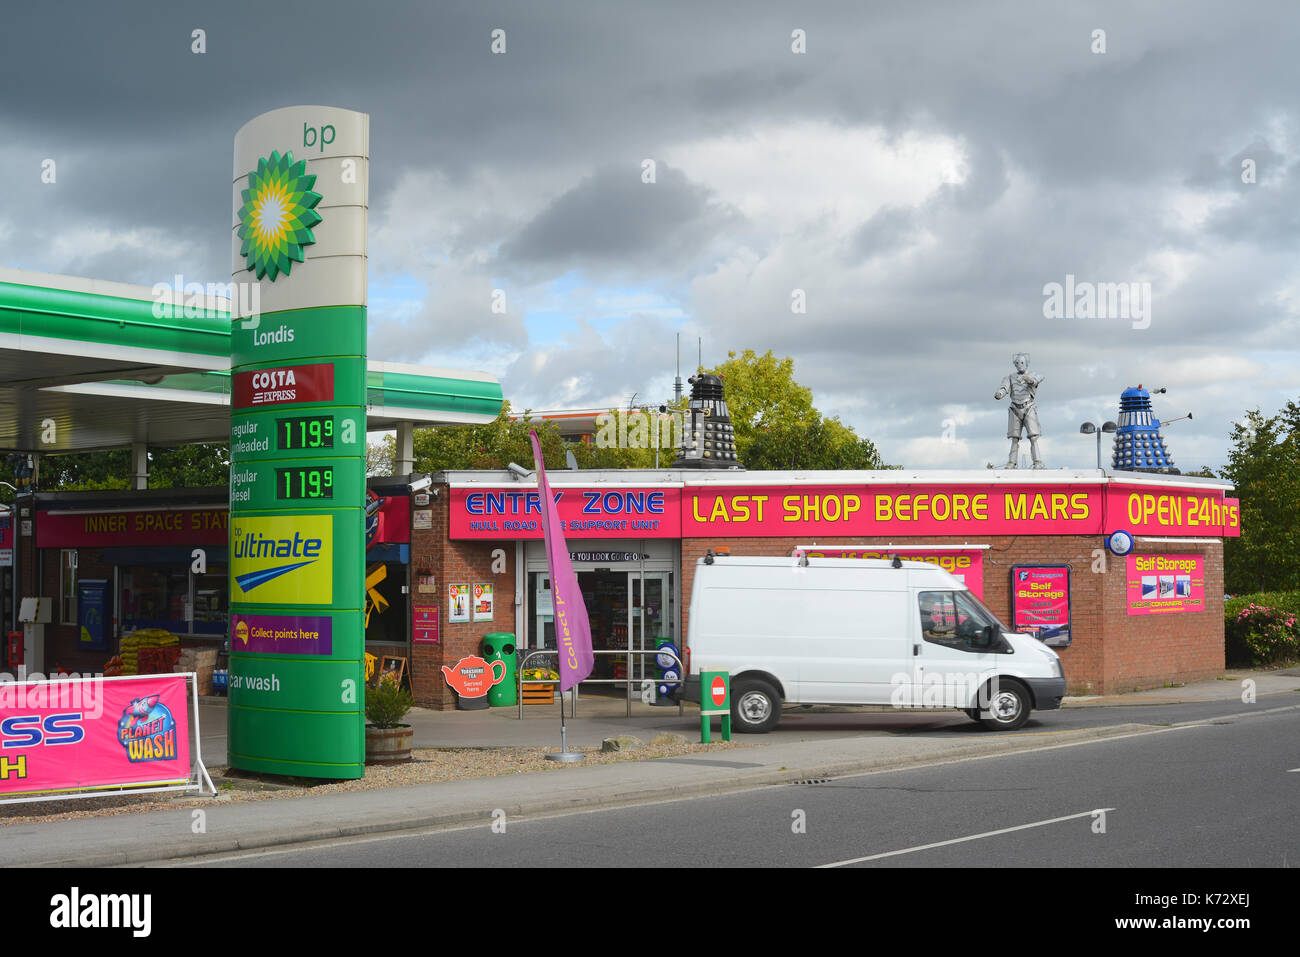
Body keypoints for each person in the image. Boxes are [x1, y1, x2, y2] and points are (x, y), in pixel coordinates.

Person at [994, 352, 1045, 468]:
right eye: (1017, 363)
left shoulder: (1032, 375)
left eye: (1022, 362)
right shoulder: (1010, 377)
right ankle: (1012, 462)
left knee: (1033, 437)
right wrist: (999, 394)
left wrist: (1030, 380)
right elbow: (1004, 388)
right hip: (1015, 409)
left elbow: (1040, 378)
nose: (1019, 365)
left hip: (1028, 407)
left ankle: (1037, 461)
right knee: (1014, 438)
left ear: (1026, 363)